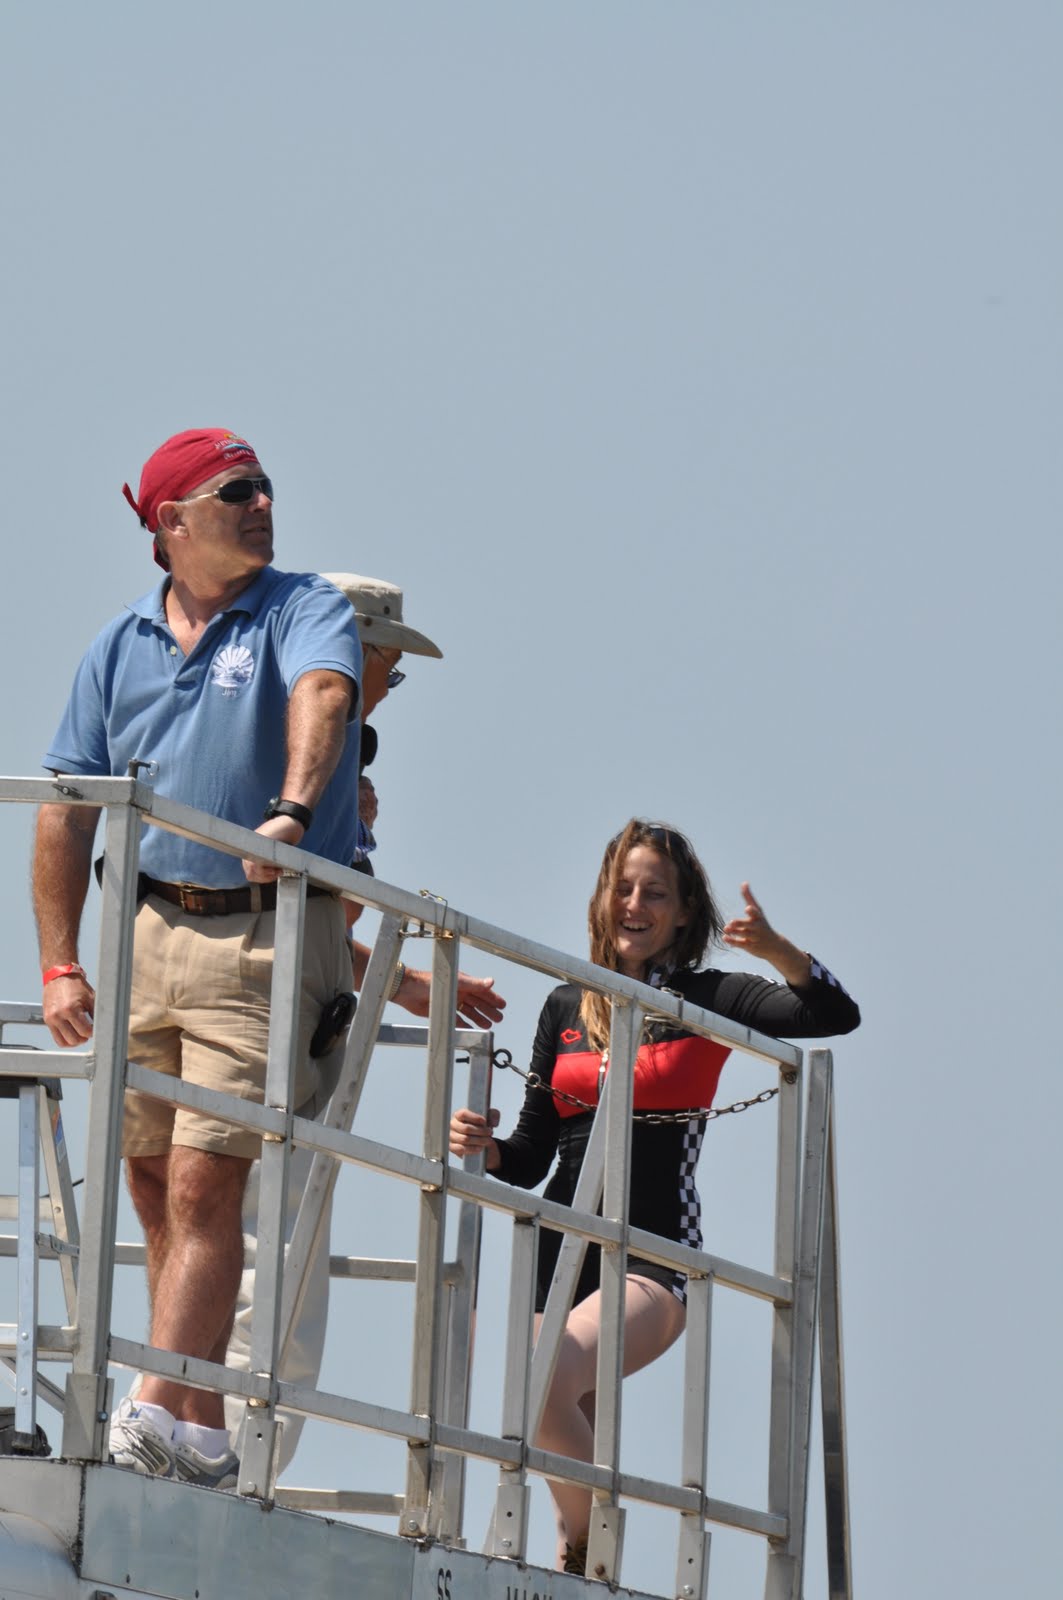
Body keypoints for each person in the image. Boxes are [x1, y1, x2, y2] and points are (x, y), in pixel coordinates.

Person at [32, 428, 363, 1490]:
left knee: (204, 1177)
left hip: (259, 927)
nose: (264, 502)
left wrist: (292, 810)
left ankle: (148, 1406)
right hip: (143, 927)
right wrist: (58, 964)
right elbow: (66, 806)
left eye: (266, 484)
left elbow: (323, 696)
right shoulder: (117, 643)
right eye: (236, 491)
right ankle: (204, 1428)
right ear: (171, 523)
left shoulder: (304, 606)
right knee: (147, 1178)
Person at [448, 818, 860, 1575]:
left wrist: (772, 951)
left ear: (682, 913)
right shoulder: (566, 1004)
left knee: (542, 1384)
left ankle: (582, 1547)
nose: (634, 904)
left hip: (652, 1253)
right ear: (603, 899)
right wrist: (489, 1145)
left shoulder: (709, 997)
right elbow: (535, 1154)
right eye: (623, 887)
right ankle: (579, 1562)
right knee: (549, 1410)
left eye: (655, 893)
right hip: (556, 1250)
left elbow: (832, 1015)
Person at [220, 573, 506, 1468]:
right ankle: (240, 1455)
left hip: (257, 1008)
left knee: (227, 1232)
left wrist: (403, 984)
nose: (384, 686)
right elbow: (289, 912)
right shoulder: (317, 761)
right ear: (359, 657)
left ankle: (199, 1431)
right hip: (279, 1029)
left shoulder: (260, 743)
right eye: (386, 667)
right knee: (280, 1256)